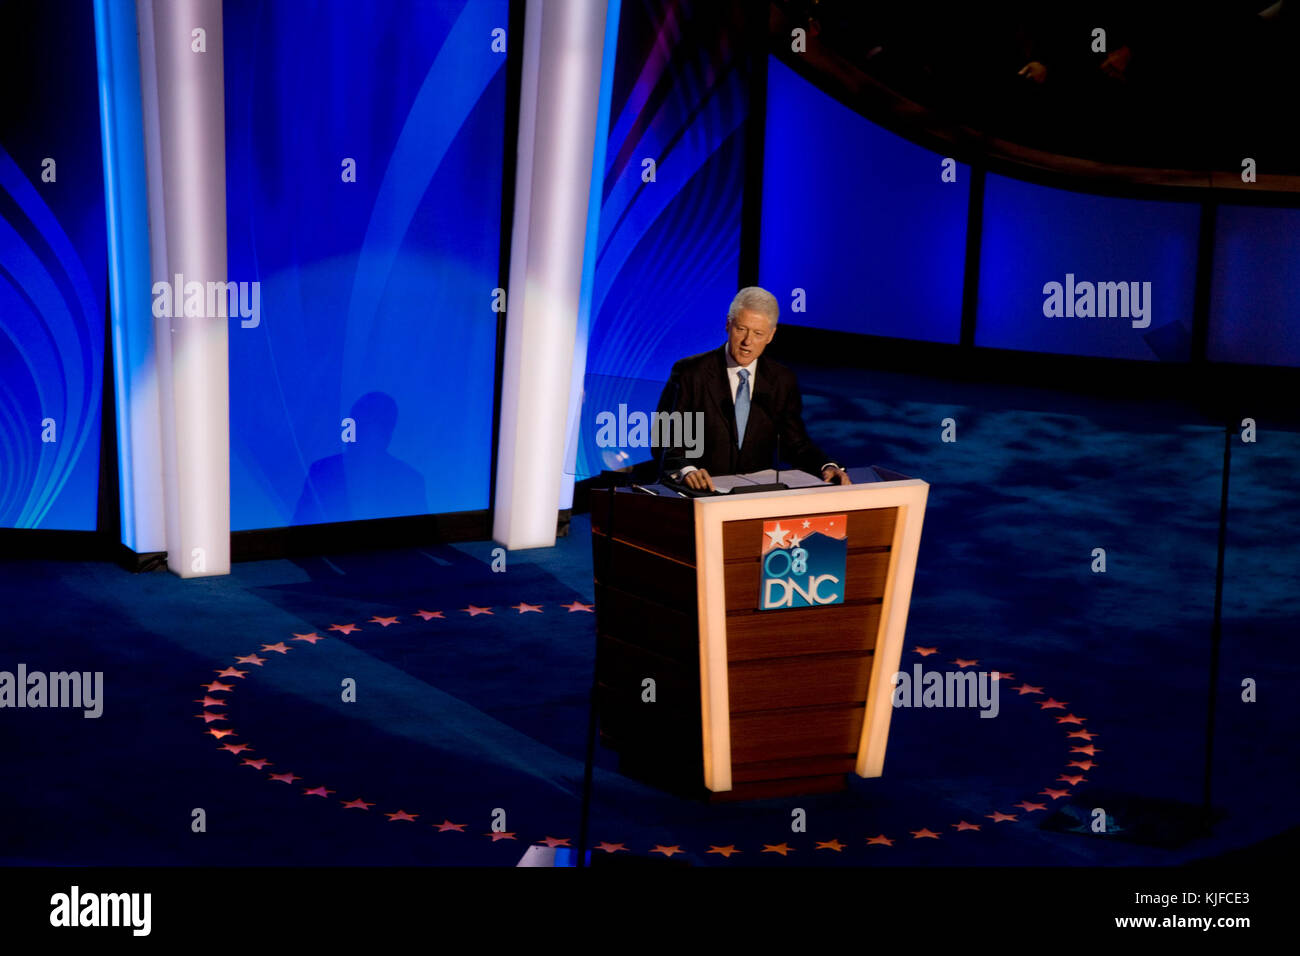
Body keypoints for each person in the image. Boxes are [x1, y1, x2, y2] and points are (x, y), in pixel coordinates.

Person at [656, 287, 850, 492]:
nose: (748, 342)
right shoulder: (690, 373)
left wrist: (827, 466)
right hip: (701, 493)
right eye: (741, 329)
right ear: (728, 324)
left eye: (758, 333)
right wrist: (687, 470)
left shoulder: (781, 380)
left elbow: (796, 444)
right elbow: (665, 439)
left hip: (754, 499)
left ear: (770, 335)